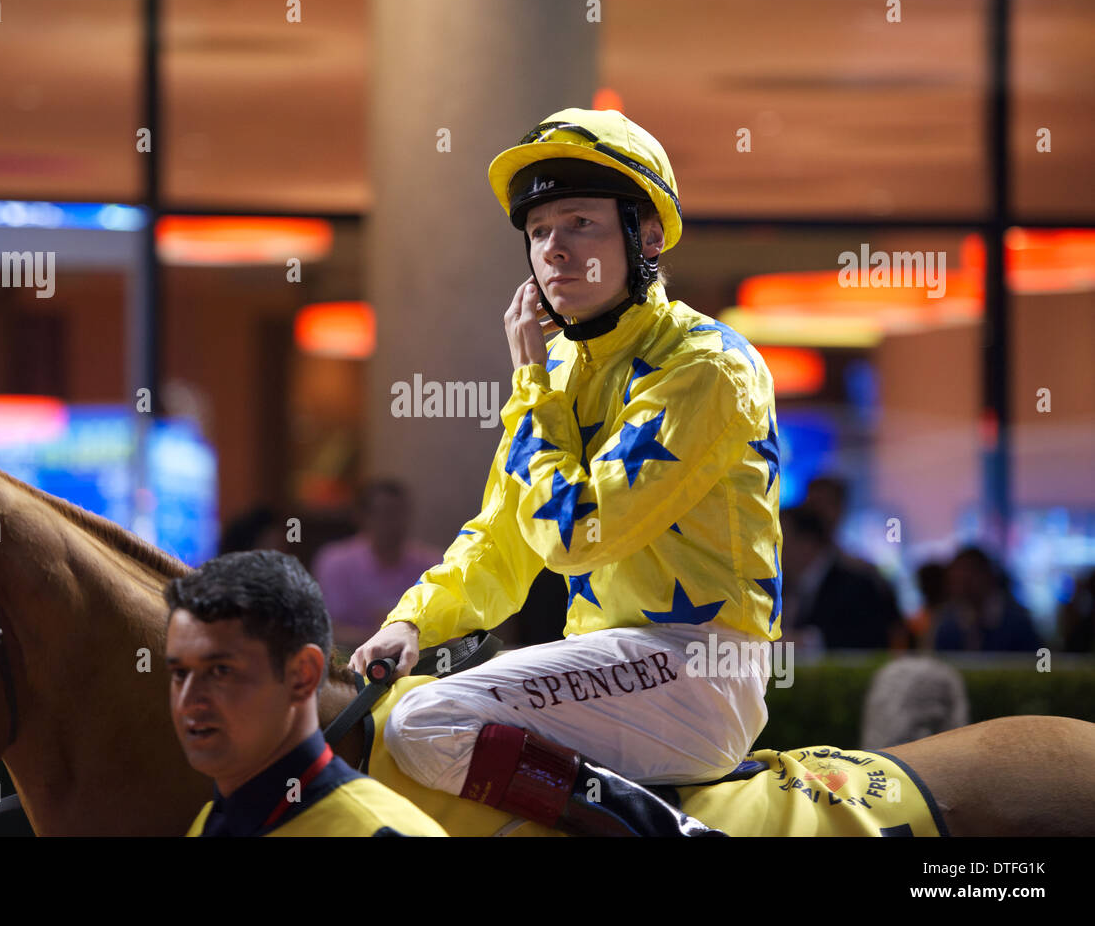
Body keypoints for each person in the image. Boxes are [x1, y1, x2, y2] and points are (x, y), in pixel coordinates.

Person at [350, 107, 781, 836]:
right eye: (540, 230)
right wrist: (413, 620)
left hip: (700, 670)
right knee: (388, 712)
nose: (554, 249)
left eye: (581, 223)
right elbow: (502, 537)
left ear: (646, 236)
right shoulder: (560, 374)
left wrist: (528, 384)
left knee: (427, 721)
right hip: (611, 661)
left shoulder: (706, 365)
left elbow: (575, 533)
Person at [167, 550, 446, 836]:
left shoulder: (387, 831)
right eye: (179, 674)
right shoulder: (206, 825)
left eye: (220, 671)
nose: (188, 702)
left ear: (303, 675)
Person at [312, 481, 440, 649]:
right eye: (385, 513)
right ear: (362, 517)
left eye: (399, 513)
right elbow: (324, 627)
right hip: (349, 660)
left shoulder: (432, 564)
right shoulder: (334, 562)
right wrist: (386, 636)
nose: (393, 522)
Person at [781, 505, 905, 650]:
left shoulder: (857, 586)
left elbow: (867, 640)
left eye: (779, 540)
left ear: (807, 543)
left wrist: (803, 642)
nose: (771, 549)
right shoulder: (788, 587)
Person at [932, 546, 1042, 653]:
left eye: (967, 578)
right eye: (956, 580)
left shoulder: (1016, 621)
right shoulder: (948, 622)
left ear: (987, 575)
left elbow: (1032, 663)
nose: (962, 585)